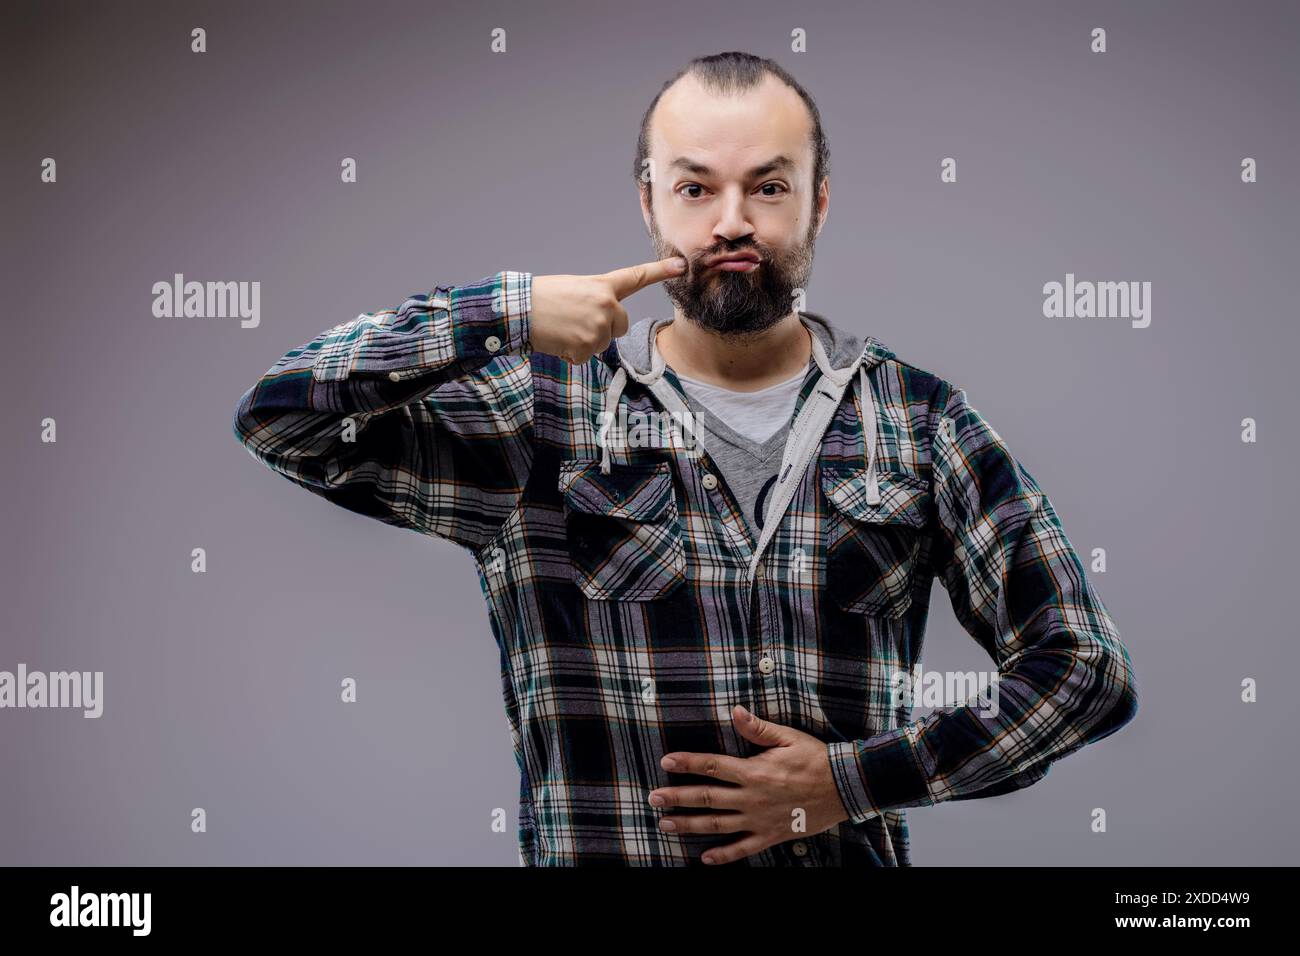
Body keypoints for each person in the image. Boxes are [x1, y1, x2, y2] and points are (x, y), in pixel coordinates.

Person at [232, 51, 1138, 866]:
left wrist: (855, 782)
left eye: (769, 188)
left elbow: (1084, 673)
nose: (732, 223)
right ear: (649, 201)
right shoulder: (538, 414)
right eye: (696, 189)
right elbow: (282, 415)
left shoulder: (921, 421)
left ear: (819, 200)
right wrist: (506, 310)